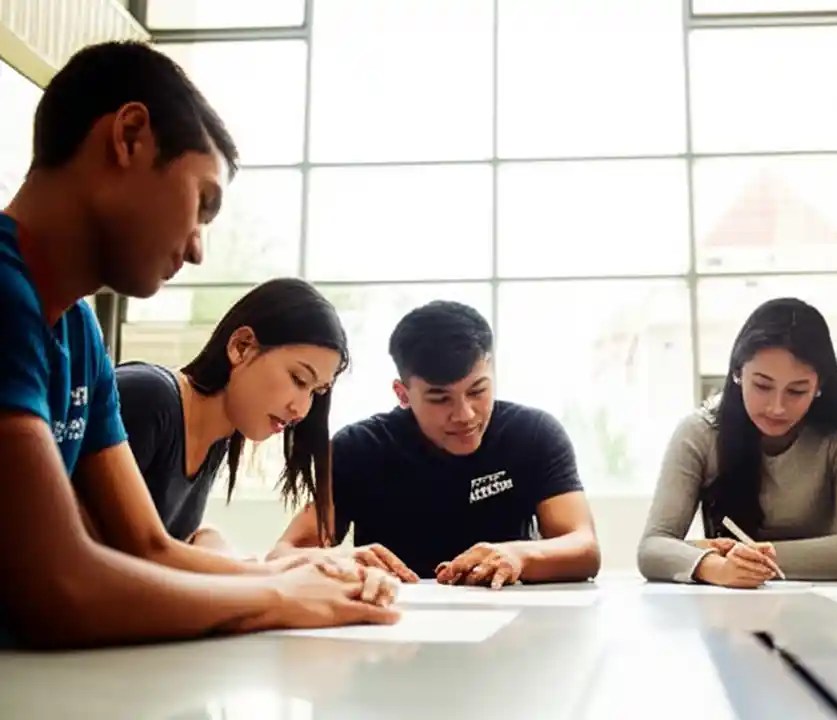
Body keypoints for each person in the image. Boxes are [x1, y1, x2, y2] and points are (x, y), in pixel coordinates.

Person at [0, 42, 399, 649]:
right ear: (129, 137)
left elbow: (150, 544)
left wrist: (284, 573)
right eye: (202, 204)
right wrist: (277, 596)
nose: (196, 249)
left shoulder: (80, 333)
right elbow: (62, 585)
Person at [271, 301, 602, 587]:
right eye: (440, 398)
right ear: (403, 394)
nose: (465, 414)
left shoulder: (533, 434)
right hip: (392, 631)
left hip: (507, 627)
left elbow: (584, 548)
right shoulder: (358, 448)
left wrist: (520, 555)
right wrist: (340, 561)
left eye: (477, 390)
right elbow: (282, 555)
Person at [78, 278, 351, 568]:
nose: (301, 409)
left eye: (315, 392)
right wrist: (268, 575)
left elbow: (175, 539)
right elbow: (118, 552)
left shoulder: (221, 436)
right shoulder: (149, 398)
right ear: (241, 346)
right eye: (298, 379)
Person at [637, 298, 837, 588]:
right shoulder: (700, 432)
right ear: (737, 373)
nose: (777, 407)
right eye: (762, 386)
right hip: (728, 615)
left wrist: (747, 558)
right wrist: (714, 567)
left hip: (824, 611)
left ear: (819, 387)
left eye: (797, 391)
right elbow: (652, 547)